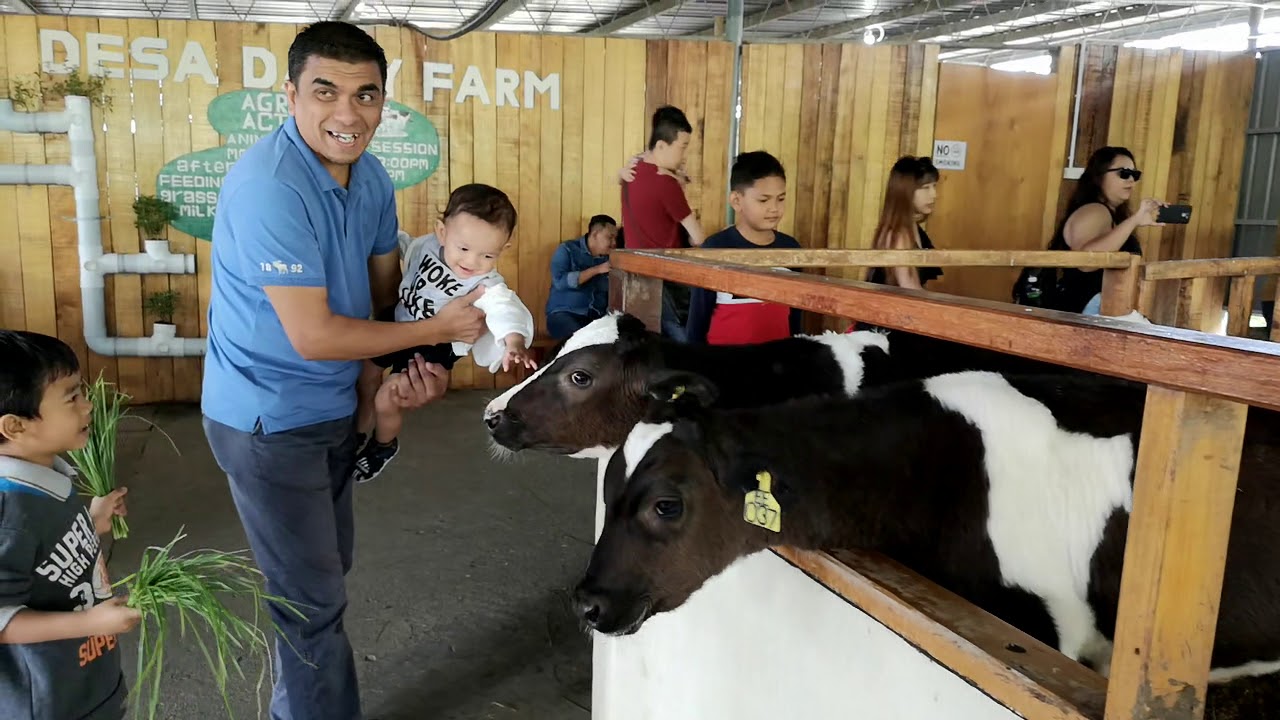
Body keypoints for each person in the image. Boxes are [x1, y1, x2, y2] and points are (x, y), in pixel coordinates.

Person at [199, 21, 485, 720]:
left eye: (367, 95)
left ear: (383, 102)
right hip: (267, 419)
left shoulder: (372, 176)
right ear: (290, 94)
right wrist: (438, 329)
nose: (348, 114)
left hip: (331, 405)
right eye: (326, 92)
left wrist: (422, 360)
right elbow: (314, 333)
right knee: (311, 605)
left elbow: (384, 295)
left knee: (320, 584)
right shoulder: (270, 187)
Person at [354, 183, 536, 483]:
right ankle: (357, 435)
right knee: (365, 377)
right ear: (442, 233)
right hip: (400, 323)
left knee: (389, 396)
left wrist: (513, 341)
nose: (472, 262)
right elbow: (402, 244)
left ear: (503, 249)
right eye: (463, 249)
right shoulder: (427, 246)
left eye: (487, 256)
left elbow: (506, 309)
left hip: (435, 347)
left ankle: (383, 445)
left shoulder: (486, 284)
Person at [0, 330, 137, 720]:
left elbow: (44, 560)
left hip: (87, 681)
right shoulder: (9, 508)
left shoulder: (45, 475)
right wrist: (89, 621)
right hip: (45, 702)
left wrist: (91, 525)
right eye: (72, 397)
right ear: (16, 426)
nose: (88, 405)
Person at [685, 151, 802, 345]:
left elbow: (795, 322)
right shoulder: (714, 250)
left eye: (780, 199)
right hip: (725, 367)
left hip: (778, 366)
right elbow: (697, 322)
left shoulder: (792, 250)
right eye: (763, 200)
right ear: (737, 201)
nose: (774, 208)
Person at [617, 106, 707, 341]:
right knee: (684, 342)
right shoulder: (666, 184)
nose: (684, 155)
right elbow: (699, 238)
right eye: (683, 147)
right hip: (666, 278)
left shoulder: (633, 169)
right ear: (661, 146)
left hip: (635, 276)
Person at [1048, 146, 1163, 314]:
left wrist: (1135, 221)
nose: (1130, 180)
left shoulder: (1110, 214)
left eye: (1135, 175)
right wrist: (1134, 220)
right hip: (1087, 309)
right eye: (1123, 173)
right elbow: (1085, 262)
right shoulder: (1095, 211)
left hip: (1101, 308)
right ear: (1099, 175)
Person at [867, 155, 942, 290]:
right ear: (905, 192)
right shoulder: (897, 235)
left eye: (934, 186)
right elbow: (910, 289)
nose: (934, 194)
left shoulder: (913, 228)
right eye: (926, 188)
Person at [545, 214, 617, 340]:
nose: (614, 243)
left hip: (596, 318)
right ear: (595, 234)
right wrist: (597, 270)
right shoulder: (567, 249)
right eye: (610, 237)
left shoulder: (611, 259)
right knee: (583, 341)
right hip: (564, 313)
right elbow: (560, 282)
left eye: (615, 238)